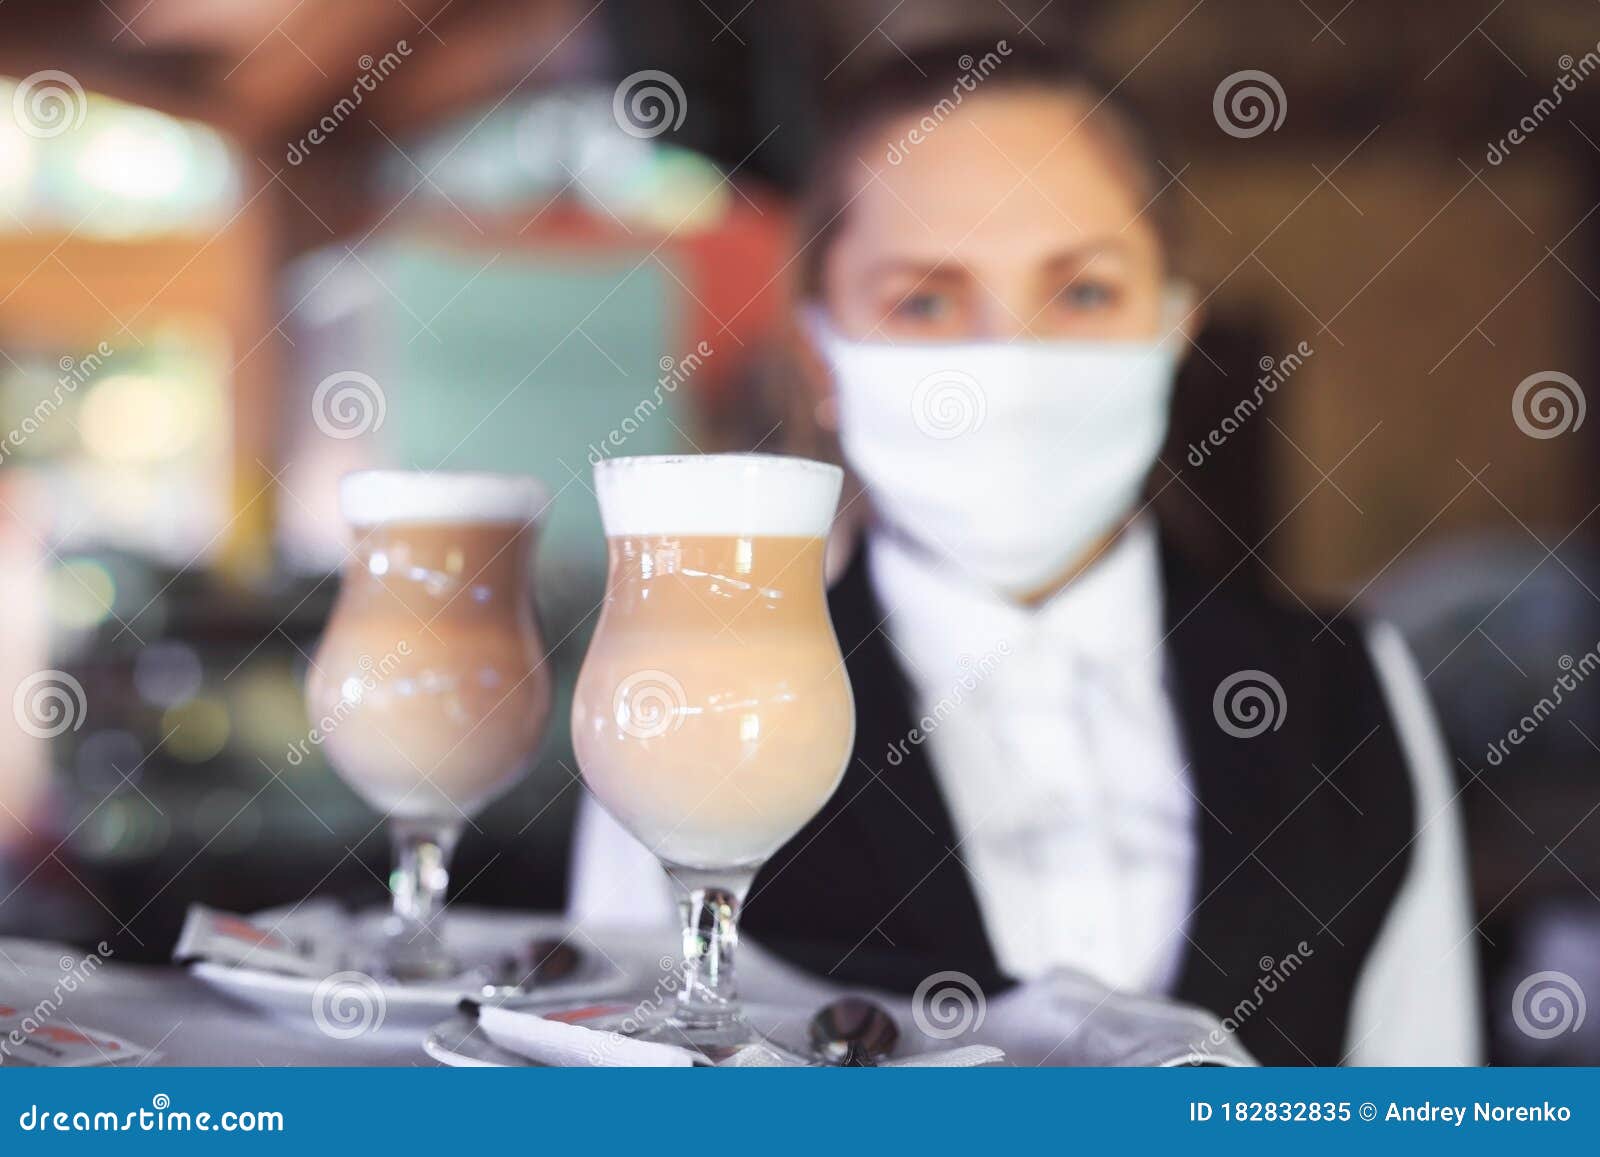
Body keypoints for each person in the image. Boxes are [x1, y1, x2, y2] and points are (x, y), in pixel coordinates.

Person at [569, 40, 1481, 1065]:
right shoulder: (694, 696)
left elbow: (1425, 1091)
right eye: (925, 299)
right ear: (823, 353)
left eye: (1082, 292)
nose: (1007, 354)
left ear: (1173, 325)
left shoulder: (1346, 691)